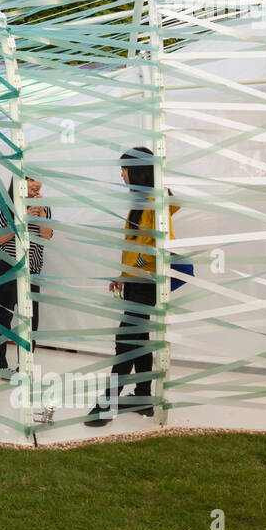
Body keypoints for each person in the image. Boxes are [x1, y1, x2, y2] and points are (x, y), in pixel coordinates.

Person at [86, 147, 178, 426]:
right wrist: (124, 274)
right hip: (136, 281)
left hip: (146, 283)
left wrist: (133, 268)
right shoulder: (142, 201)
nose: (121, 174)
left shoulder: (154, 202)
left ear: (139, 171)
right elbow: (139, 245)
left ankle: (108, 403)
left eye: (125, 169)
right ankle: (142, 396)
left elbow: (160, 246)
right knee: (137, 340)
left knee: (126, 342)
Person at [0, 177, 52, 373]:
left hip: (32, 269)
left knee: (31, 320)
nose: (36, 184)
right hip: (7, 267)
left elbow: (47, 236)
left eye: (37, 180)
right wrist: (23, 218)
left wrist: (41, 212)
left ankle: (24, 367)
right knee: (3, 316)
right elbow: (0, 240)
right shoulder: (7, 206)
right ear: (19, 182)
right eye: (30, 180)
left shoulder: (44, 206)